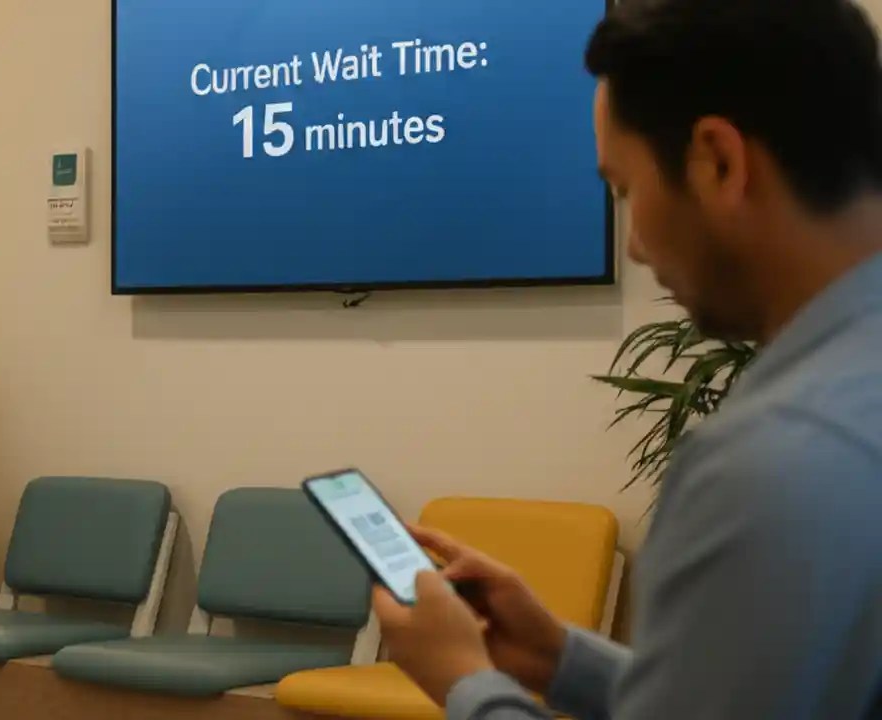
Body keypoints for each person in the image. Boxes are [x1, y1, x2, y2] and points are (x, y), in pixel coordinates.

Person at [373, 1, 882, 718]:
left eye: (625, 189)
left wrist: (461, 677)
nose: (636, 245)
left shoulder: (771, 460)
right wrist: (559, 658)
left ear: (717, 161)